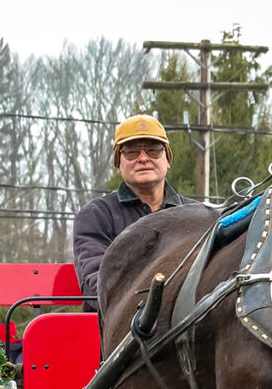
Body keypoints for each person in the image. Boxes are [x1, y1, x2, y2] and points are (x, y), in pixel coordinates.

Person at [72, 114, 191, 309]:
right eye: (131, 152)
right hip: (117, 325)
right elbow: (97, 284)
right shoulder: (96, 216)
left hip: (188, 321)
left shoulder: (195, 215)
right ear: (118, 163)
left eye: (153, 150)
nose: (143, 158)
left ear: (168, 159)